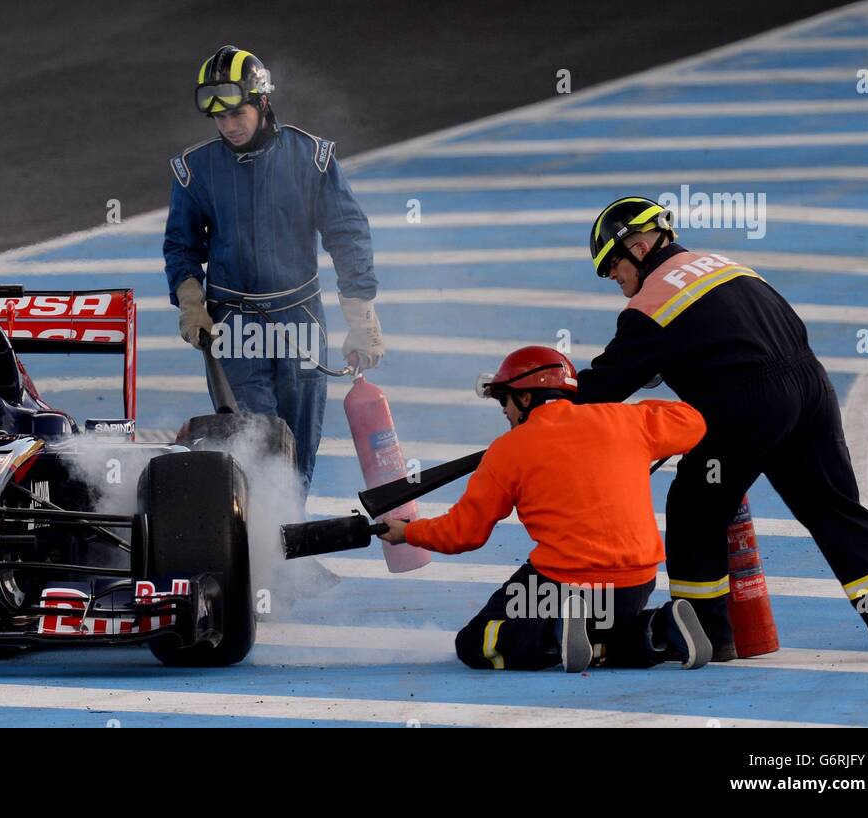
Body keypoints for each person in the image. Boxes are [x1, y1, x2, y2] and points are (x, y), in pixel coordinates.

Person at [576, 196, 868, 662]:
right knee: (835, 509)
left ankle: (705, 631)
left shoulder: (649, 305)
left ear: (637, 246)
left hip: (748, 400)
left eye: (612, 267)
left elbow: (603, 386)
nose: (615, 281)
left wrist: (545, 406)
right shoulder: (725, 264)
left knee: (695, 505)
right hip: (811, 385)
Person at [379, 346, 712, 672]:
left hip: (563, 585)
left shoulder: (507, 450)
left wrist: (409, 532)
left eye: (505, 401)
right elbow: (692, 421)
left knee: (477, 643)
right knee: (599, 629)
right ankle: (656, 628)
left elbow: (463, 534)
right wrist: (612, 415)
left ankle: (552, 635)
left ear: (525, 398)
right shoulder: (626, 420)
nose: (505, 412)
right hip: (636, 585)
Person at [162, 45, 384, 491]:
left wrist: (362, 318)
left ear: (262, 102)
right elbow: (182, 247)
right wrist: (190, 302)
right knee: (255, 445)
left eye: (236, 113)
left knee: (299, 448)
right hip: (234, 322)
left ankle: (287, 551)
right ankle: (259, 550)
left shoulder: (313, 158)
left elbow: (347, 233)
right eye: (219, 119)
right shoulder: (195, 169)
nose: (228, 126)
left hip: (301, 316)